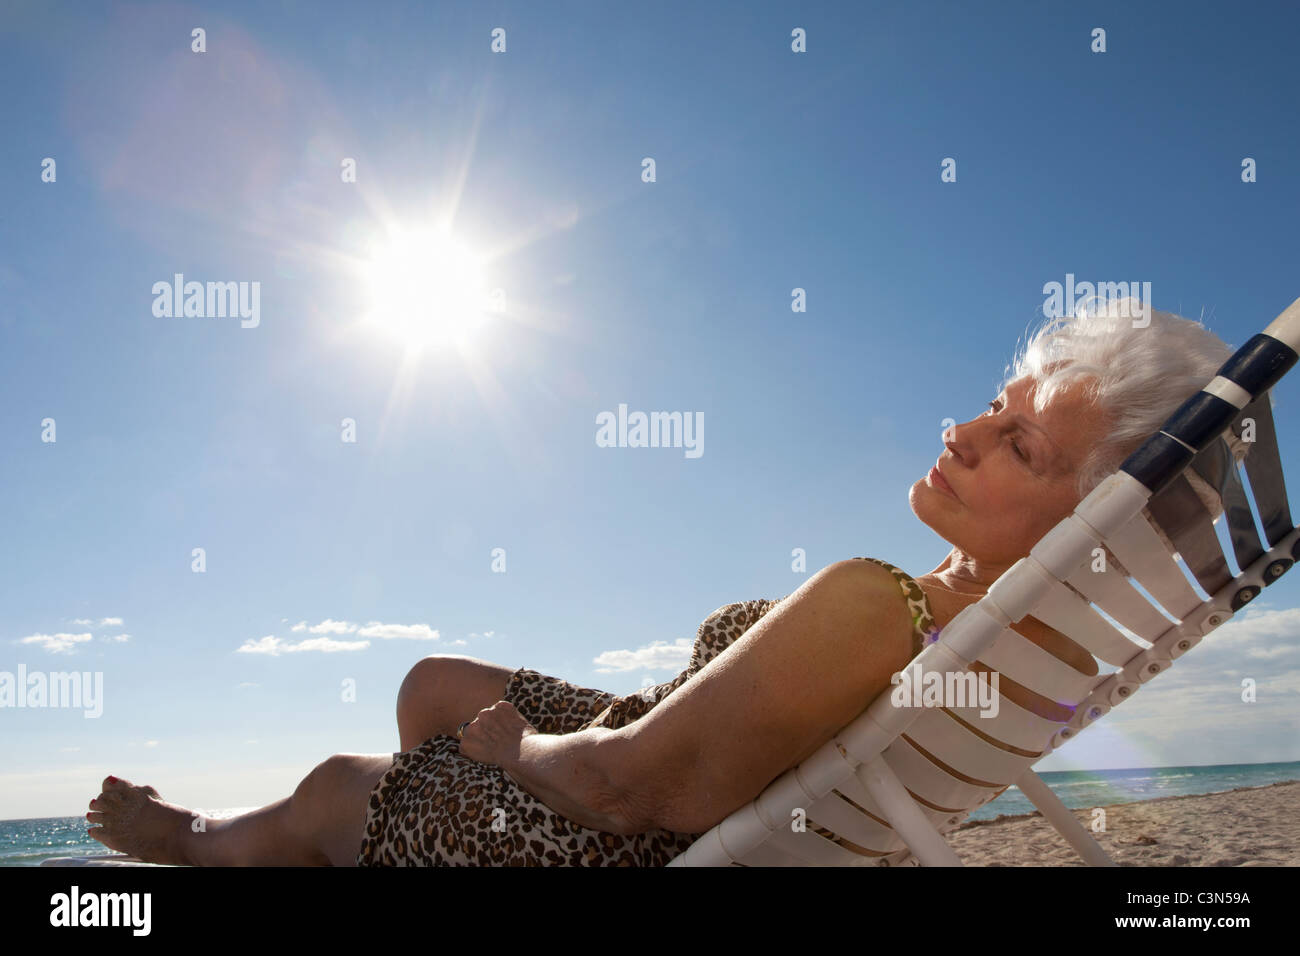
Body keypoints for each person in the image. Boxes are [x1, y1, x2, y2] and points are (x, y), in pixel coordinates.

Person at [85, 297, 1244, 865]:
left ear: (1096, 524)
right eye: (996, 405)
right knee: (436, 679)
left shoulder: (881, 602)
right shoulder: (1047, 650)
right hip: (713, 770)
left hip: (621, 828)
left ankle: (203, 837)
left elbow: (631, 789)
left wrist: (511, 755)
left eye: (1018, 444)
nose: (964, 427)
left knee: (357, 773)